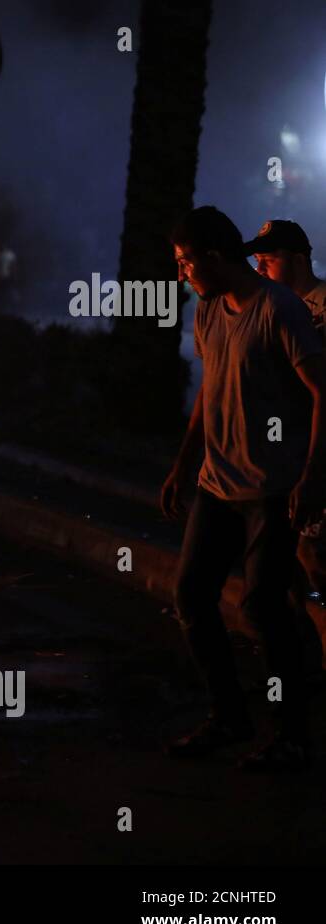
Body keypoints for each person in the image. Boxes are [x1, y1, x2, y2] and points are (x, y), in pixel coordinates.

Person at [160, 207, 326, 771]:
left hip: (273, 489)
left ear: (214, 255)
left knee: (263, 606)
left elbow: (322, 391)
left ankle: (292, 735)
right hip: (217, 484)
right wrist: (183, 466)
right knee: (191, 595)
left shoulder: (280, 310)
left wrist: (311, 475)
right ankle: (228, 715)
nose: (183, 274)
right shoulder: (208, 312)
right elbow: (210, 393)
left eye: (187, 263)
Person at [245, 219, 326, 675]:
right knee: (293, 576)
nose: (259, 268)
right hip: (284, 464)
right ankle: (306, 670)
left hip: (314, 463)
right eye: (257, 259)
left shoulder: (320, 307)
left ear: (297, 260)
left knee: (317, 570)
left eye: (268, 260)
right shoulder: (275, 307)